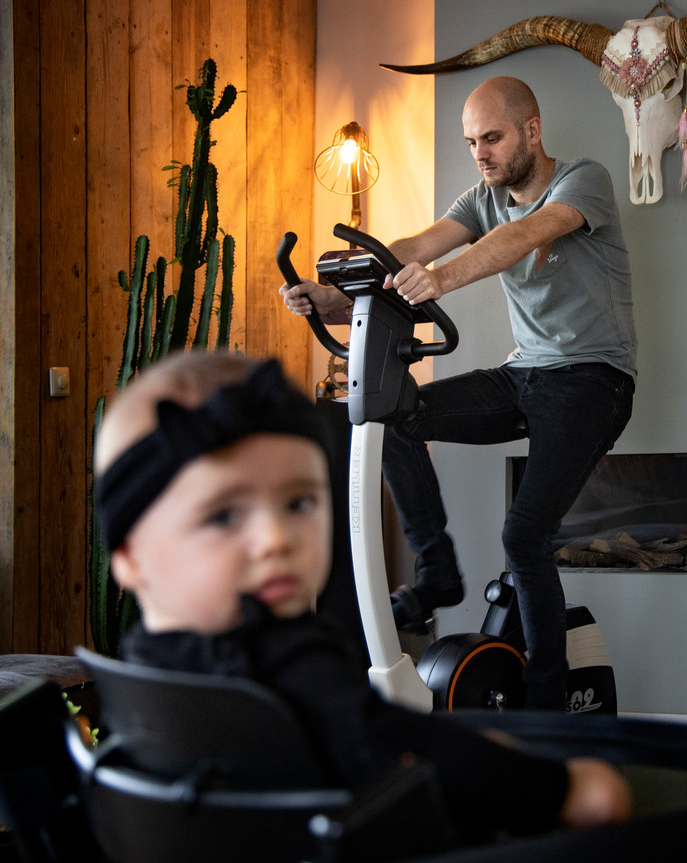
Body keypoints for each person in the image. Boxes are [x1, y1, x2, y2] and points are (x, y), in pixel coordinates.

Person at [93, 351, 631, 844]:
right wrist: (572, 787)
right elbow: (431, 754)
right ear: (130, 558)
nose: (277, 540)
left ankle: (436, 575)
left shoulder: (146, 670)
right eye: (224, 515)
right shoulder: (290, 667)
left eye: (299, 503)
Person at [281, 76, 637, 711]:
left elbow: (522, 237)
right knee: (389, 412)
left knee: (525, 535)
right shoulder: (481, 196)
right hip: (526, 374)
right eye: (472, 142)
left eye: (492, 139)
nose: (481, 154)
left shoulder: (583, 180)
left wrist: (439, 281)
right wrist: (332, 295)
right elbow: (416, 245)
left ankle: (547, 707)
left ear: (532, 130)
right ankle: (438, 571)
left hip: (592, 380)